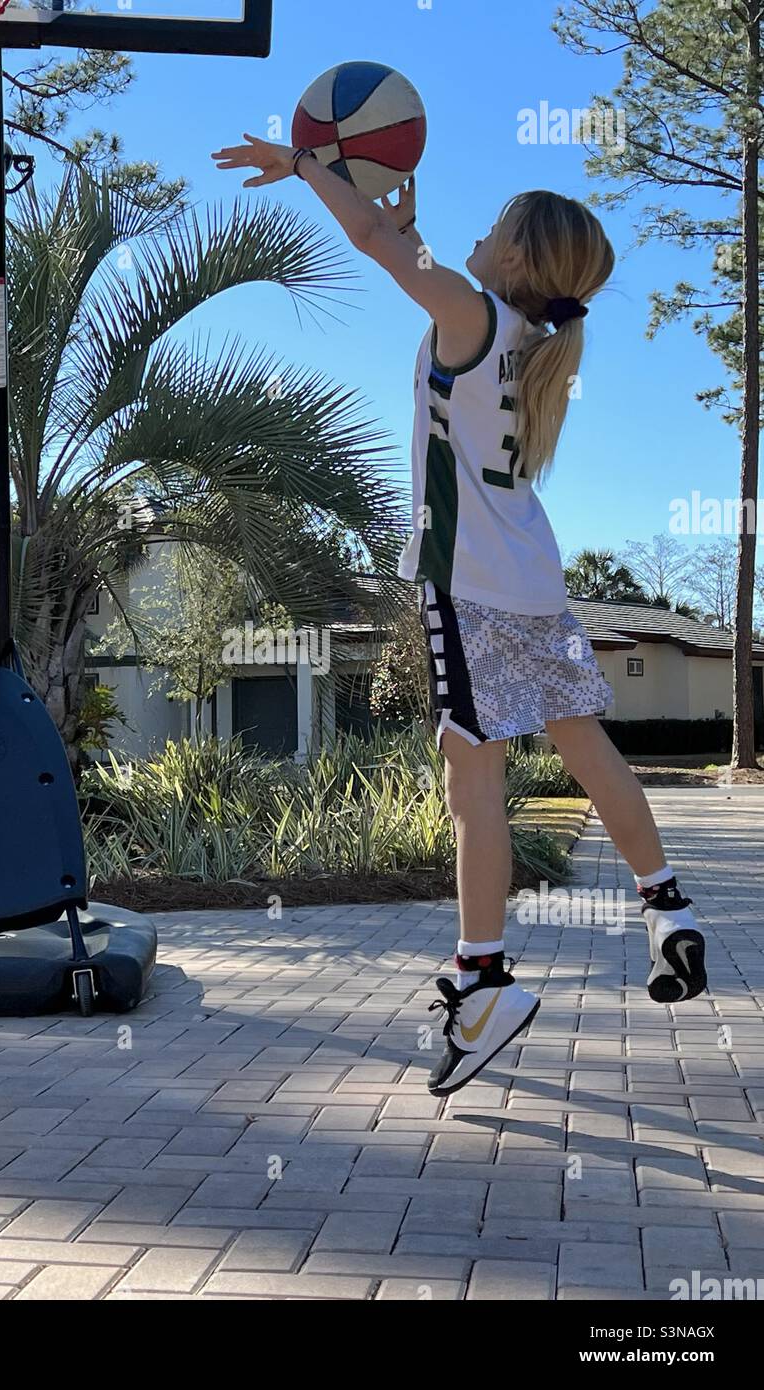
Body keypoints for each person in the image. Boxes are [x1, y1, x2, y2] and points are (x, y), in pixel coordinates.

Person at [212, 134, 708, 1097]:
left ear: (515, 259)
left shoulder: (469, 313)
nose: (475, 238)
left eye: (491, 230)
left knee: (469, 779)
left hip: (468, 584)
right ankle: (666, 906)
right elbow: (419, 269)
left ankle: (482, 981)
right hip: (533, 576)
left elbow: (369, 241)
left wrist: (308, 166)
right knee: (587, 748)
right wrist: (414, 239)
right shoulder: (526, 343)